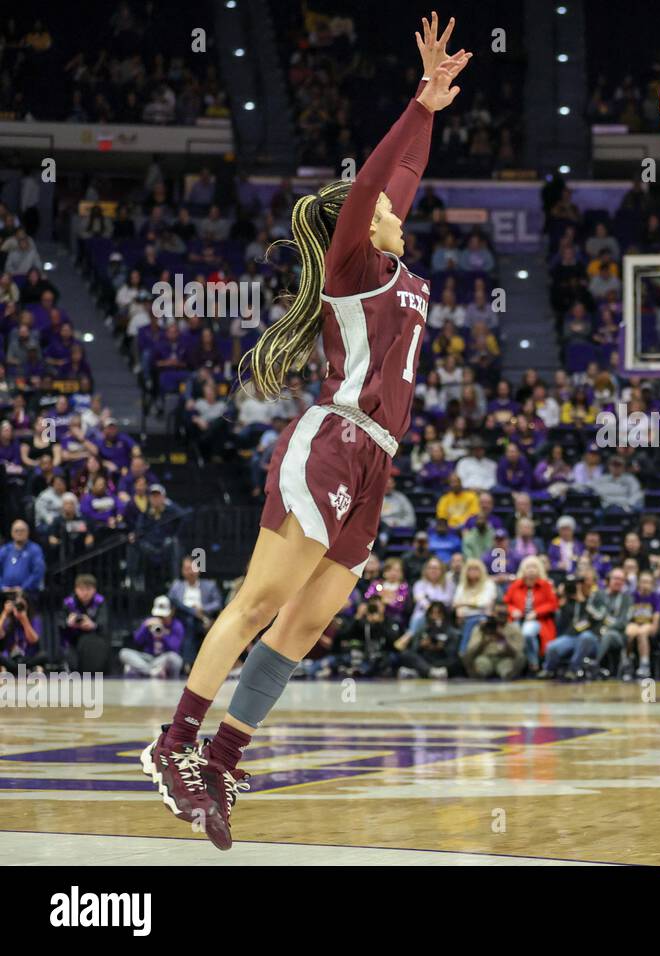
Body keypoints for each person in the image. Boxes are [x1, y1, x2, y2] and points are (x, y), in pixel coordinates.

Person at [140, 19, 473, 850]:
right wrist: (414, 101)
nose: (401, 208)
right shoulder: (351, 266)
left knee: (304, 625)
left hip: (377, 462)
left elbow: (404, 169)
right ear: (359, 226)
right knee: (260, 601)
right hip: (331, 441)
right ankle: (172, 743)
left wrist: (430, 113)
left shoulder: (394, 266)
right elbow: (375, 181)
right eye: (387, 209)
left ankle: (221, 758)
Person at [121, 595, 185, 678]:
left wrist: (163, 635)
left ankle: (139, 669)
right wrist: (144, 627)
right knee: (124, 653)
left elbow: (174, 648)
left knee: (175, 659)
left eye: (163, 616)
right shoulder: (149, 622)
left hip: (164, 659)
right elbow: (137, 641)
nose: (160, 618)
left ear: (171, 612)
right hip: (148, 658)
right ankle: (151, 672)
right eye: (158, 615)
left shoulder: (177, 625)